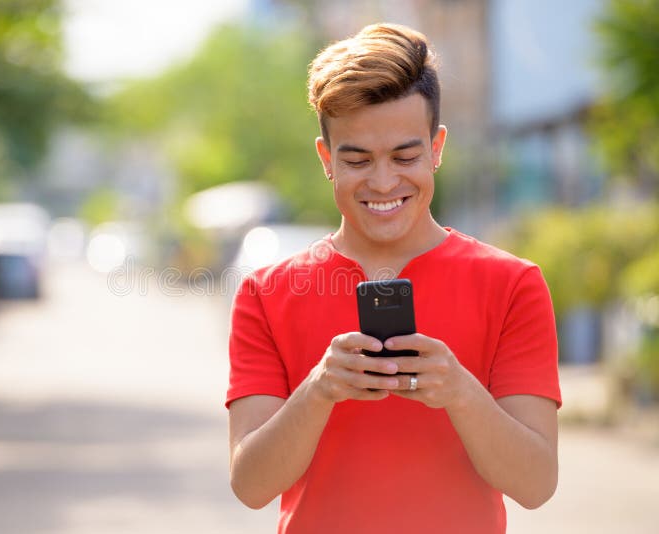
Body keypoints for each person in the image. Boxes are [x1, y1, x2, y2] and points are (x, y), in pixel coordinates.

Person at [226, 22, 561, 534]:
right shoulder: (266, 294)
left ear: (436, 148)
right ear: (326, 159)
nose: (383, 182)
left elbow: (536, 485)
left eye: (405, 156)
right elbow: (250, 486)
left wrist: (459, 391)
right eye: (357, 160)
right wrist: (319, 390)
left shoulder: (512, 284)